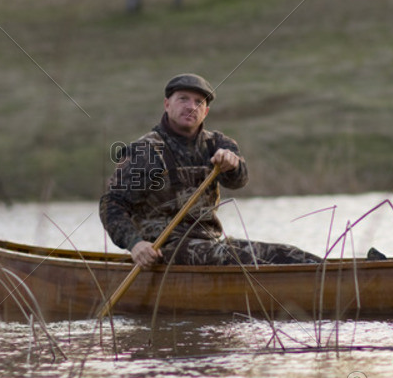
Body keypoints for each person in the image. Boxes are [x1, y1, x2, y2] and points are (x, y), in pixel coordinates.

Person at [100, 73, 325, 267]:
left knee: (290, 255)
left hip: (211, 244)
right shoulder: (144, 151)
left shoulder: (218, 143)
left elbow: (238, 181)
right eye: (183, 99)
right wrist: (135, 244)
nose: (191, 106)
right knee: (236, 256)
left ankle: (335, 274)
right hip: (164, 249)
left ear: (205, 112)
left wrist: (233, 164)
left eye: (198, 102)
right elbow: (112, 205)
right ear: (167, 104)